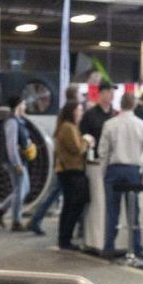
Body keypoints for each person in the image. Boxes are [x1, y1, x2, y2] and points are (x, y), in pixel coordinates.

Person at [98, 93, 143, 262]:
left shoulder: (109, 124)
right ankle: (136, 248)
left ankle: (108, 248)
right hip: (133, 171)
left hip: (113, 171)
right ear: (134, 105)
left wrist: (104, 173)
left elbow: (103, 153)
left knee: (111, 212)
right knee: (133, 213)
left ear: (120, 104)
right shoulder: (142, 125)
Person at [54, 102, 93, 250]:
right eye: (79, 110)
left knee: (69, 205)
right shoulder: (68, 127)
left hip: (67, 170)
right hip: (71, 170)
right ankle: (65, 239)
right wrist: (87, 141)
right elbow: (77, 148)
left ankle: (64, 239)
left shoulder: (66, 126)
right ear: (72, 112)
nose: (81, 112)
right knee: (73, 205)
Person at [0, 95, 31, 232]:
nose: (25, 107)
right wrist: (17, 163)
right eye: (24, 104)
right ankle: (16, 221)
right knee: (20, 190)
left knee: (22, 190)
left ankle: (1, 211)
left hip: (19, 161)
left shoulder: (18, 121)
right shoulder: (12, 122)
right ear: (19, 105)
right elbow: (11, 145)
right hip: (15, 162)